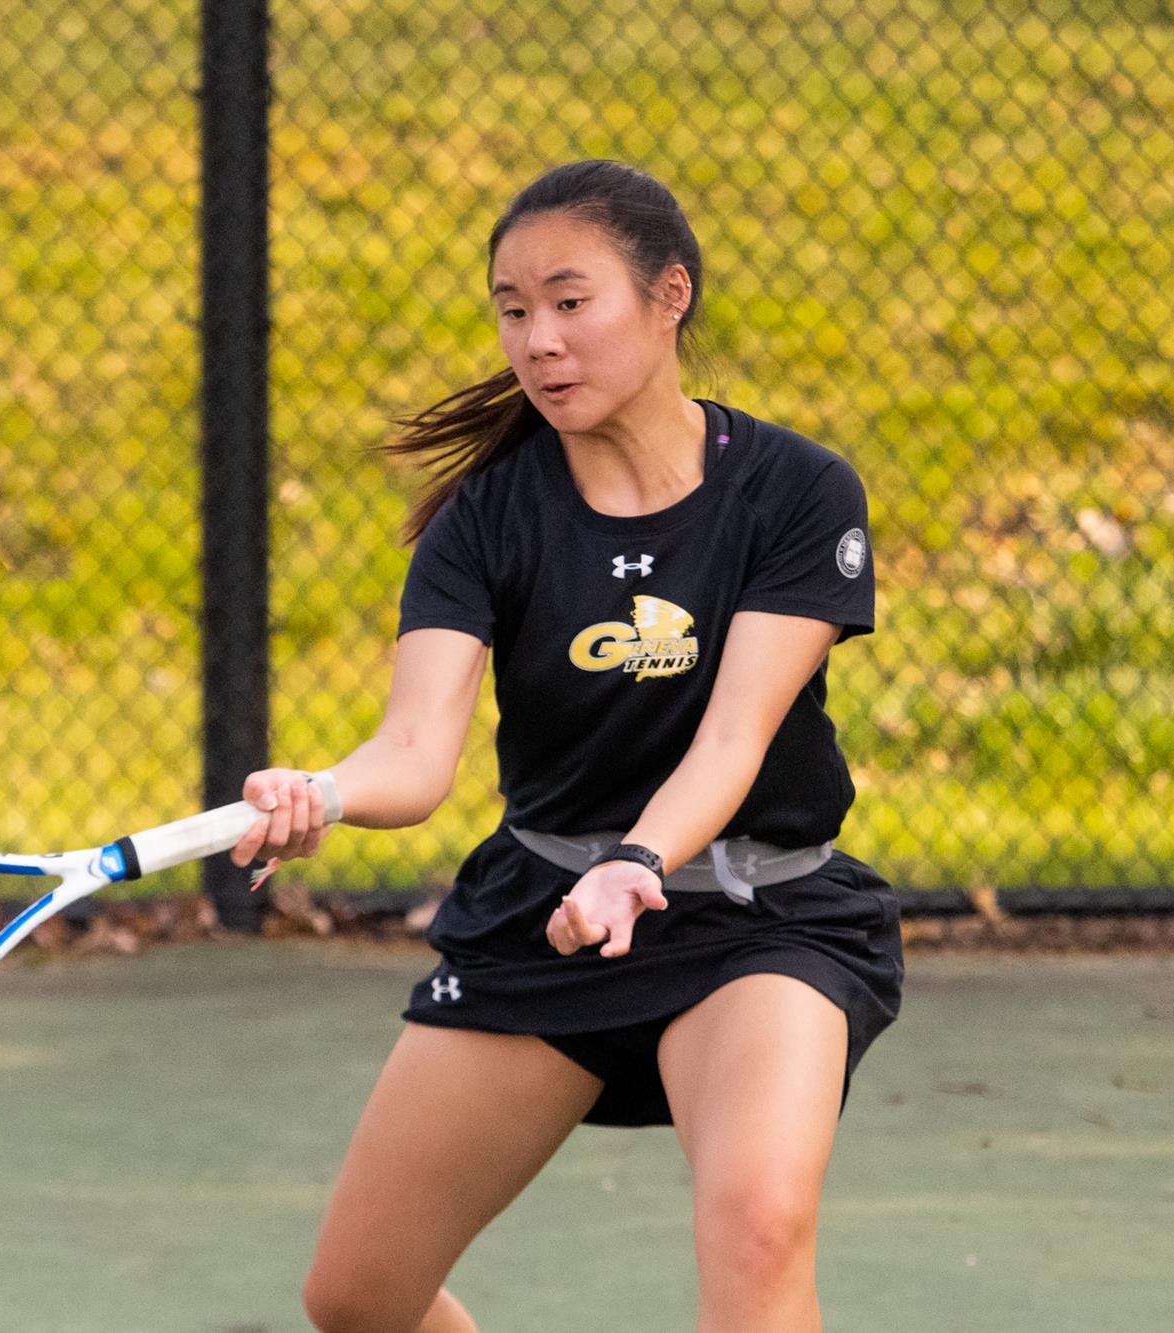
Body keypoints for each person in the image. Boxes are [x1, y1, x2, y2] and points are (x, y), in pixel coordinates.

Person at [230, 159, 903, 1333]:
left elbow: (734, 737)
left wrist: (635, 863)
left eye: (568, 300)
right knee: (357, 1298)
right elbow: (413, 754)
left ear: (668, 296)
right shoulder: (485, 518)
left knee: (755, 1226)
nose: (536, 340)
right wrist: (321, 792)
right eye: (510, 309)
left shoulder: (795, 493)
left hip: (758, 920)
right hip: (541, 921)